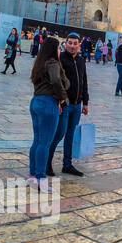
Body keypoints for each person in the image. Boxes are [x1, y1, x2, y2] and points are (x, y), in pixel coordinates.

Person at [28, 36, 68, 193]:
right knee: (44, 143)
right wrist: (62, 98)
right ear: (54, 49)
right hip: (47, 103)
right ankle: (41, 178)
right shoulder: (52, 63)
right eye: (58, 48)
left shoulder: (39, 63)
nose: (60, 50)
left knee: (37, 141)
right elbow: (57, 82)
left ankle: (33, 175)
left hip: (36, 101)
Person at [47, 33, 89, 178]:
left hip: (77, 106)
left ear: (79, 44)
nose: (72, 46)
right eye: (69, 43)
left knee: (70, 136)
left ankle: (67, 165)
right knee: (58, 134)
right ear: (66, 44)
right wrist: (59, 101)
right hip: (65, 104)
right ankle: (47, 163)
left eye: (75, 43)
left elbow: (84, 82)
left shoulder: (81, 60)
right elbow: (56, 82)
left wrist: (86, 102)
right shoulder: (61, 59)